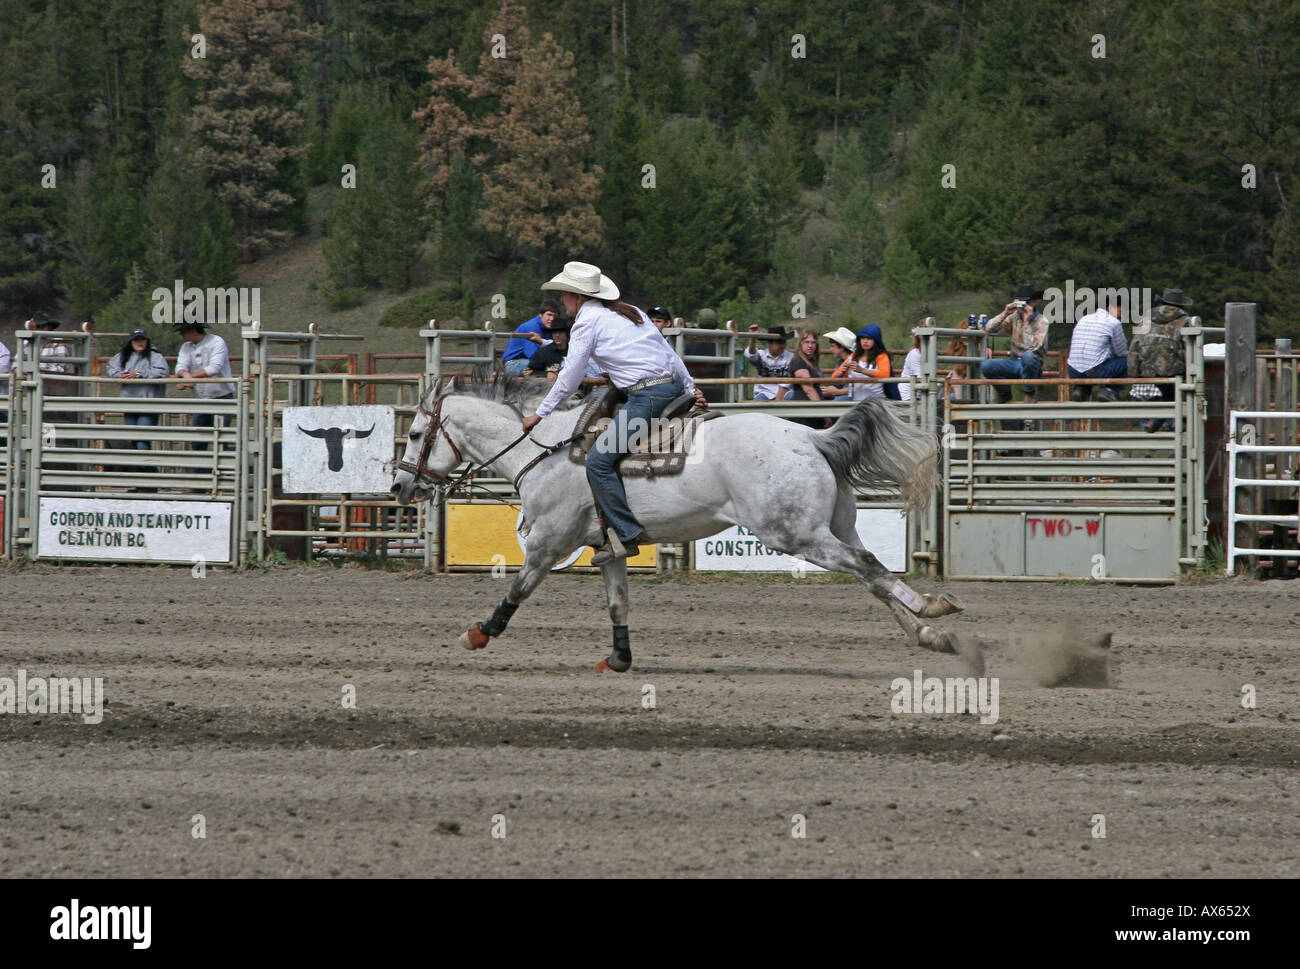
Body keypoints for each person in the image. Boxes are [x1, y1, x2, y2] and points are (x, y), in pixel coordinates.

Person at [519, 262, 705, 565]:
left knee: (599, 461)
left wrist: (539, 414)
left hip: (648, 395)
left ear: (577, 297)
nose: (562, 301)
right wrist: (690, 387)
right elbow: (669, 353)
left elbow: (569, 377)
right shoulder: (629, 311)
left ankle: (627, 534)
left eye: (565, 295)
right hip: (668, 387)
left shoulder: (585, 323)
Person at [1130, 288, 1192, 432]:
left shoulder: (1145, 320)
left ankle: (1157, 421)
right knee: (1186, 395)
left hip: (1148, 370)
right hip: (1174, 371)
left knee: (1170, 394)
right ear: (1181, 306)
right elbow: (1189, 348)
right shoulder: (1185, 321)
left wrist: (1134, 375)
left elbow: (1134, 347)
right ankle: (1176, 422)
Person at [980, 285, 1049, 406]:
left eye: (1026, 302)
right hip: (1014, 362)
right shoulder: (1013, 318)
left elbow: (1033, 347)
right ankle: (1004, 393)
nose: (1023, 306)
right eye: (1021, 302)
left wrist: (1027, 322)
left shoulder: (1042, 322)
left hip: (1033, 365)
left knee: (1028, 357)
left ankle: (1029, 394)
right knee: (986, 365)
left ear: (1034, 302)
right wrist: (1005, 313)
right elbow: (989, 328)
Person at [174, 319, 236, 449]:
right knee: (198, 441)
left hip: (221, 396)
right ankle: (201, 468)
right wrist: (185, 376)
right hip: (201, 398)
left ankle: (221, 468)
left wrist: (189, 378)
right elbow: (180, 366)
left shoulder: (216, 342)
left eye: (183, 332)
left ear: (193, 331)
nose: (181, 335)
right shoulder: (186, 347)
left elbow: (214, 368)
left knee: (221, 438)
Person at [105, 328, 170, 449]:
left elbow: (163, 371)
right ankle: (146, 467)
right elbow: (110, 367)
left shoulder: (155, 355)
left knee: (142, 441)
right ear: (131, 342)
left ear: (147, 341)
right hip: (130, 404)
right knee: (135, 441)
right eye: (136, 340)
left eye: (142, 339)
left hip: (149, 405)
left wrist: (140, 373)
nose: (139, 342)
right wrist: (119, 374)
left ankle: (143, 467)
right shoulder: (124, 355)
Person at [1067, 292, 1128, 401]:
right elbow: (1121, 352)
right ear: (1110, 307)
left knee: (1091, 360)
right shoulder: (1114, 322)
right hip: (1095, 372)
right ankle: (1110, 390)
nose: (1121, 314)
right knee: (1127, 361)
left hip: (1073, 371)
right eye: (1120, 310)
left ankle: (1081, 389)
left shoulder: (1084, 319)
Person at [523, 316, 602, 384]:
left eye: (560, 332)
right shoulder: (543, 353)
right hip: (548, 391)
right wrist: (546, 374)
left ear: (566, 334)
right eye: (554, 332)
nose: (557, 335)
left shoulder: (576, 352)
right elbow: (527, 372)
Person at [501, 299, 561, 375]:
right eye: (549, 315)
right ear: (541, 315)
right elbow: (533, 355)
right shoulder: (532, 327)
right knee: (544, 368)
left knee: (555, 367)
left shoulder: (549, 329)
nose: (552, 319)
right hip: (512, 364)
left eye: (555, 316)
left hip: (527, 362)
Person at [788, 329, 830, 428]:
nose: (810, 346)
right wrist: (825, 414)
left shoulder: (811, 361)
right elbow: (809, 390)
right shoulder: (798, 362)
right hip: (804, 411)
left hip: (813, 408)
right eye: (807, 342)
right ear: (801, 344)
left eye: (813, 342)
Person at [743, 325, 796, 401]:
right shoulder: (762, 355)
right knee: (758, 402)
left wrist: (778, 401)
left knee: (795, 395)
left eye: (784, 342)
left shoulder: (791, 357)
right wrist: (753, 338)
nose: (783, 345)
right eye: (779, 342)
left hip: (785, 393)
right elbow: (751, 355)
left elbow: (787, 383)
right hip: (764, 393)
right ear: (769, 343)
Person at [685, 308, 726, 404]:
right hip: (721, 395)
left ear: (698, 325)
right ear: (717, 325)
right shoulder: (724, 346)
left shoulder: (687, 346)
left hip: (695, 396)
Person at [845, 324, 895, 401]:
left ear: (875, 340)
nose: (865, 341)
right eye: (863, 338)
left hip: (876, 403)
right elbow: (836, 375)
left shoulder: (882, 357)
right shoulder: (853, 356)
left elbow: (885, 374)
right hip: (857, 402)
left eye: (869, 338)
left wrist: (862, 370)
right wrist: (843, 371)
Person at [822, 327, 858, 399]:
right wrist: (826, 390)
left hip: (853, 397)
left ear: (841, 347)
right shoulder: (841, 362)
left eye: (832, 346)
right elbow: (838, 384)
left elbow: (859, 389)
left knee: (836, 402)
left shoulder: (856, 363)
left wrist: (836, 392)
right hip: (844, 393)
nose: (830, 349)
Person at [898, 322, 927, 402]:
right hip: (908, 395)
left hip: (918, 393)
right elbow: (919, 376)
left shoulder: (928, 353)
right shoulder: (915, 353)